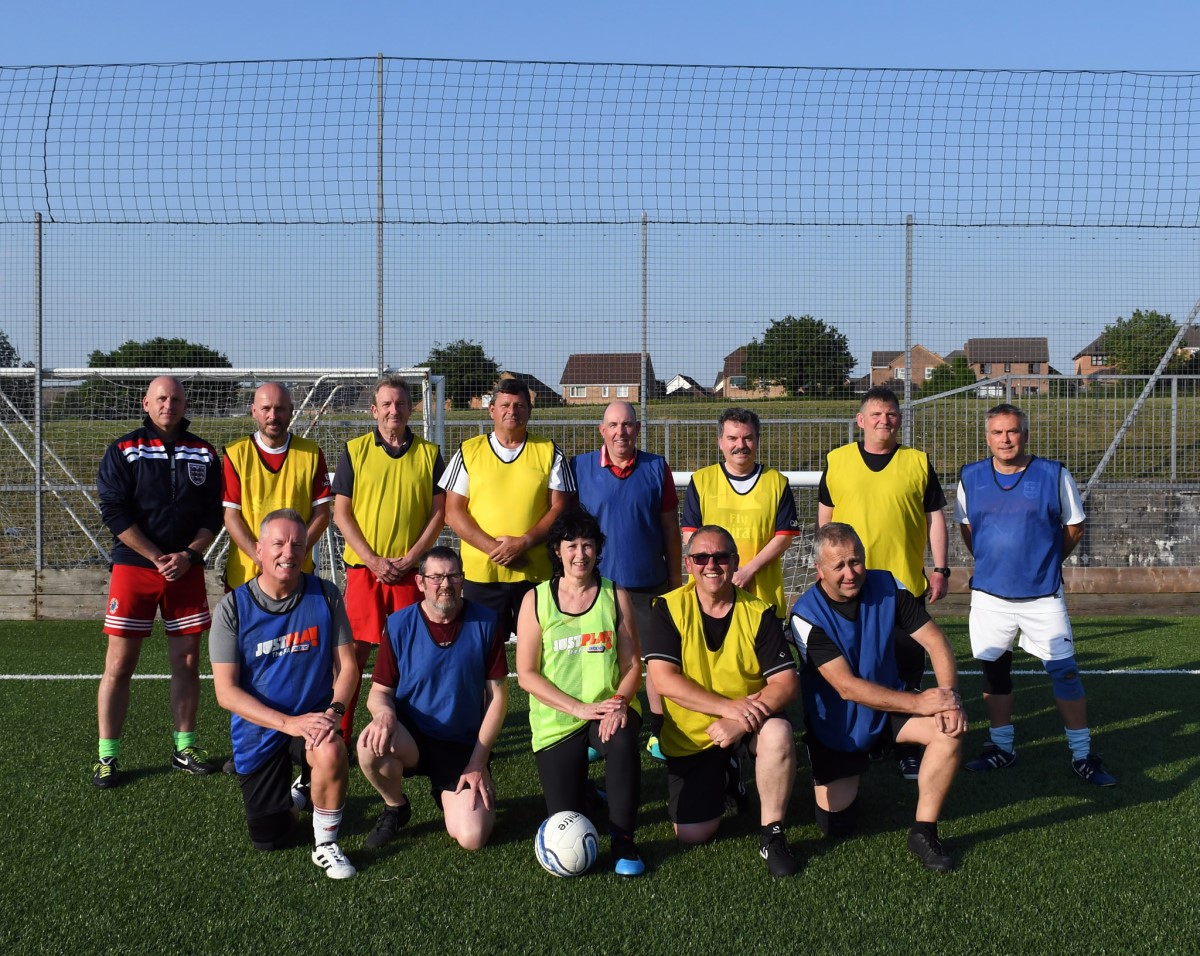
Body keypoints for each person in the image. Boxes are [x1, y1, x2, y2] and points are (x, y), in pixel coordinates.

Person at [789, 523, 967, 872]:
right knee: (837, 826)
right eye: (838, 566)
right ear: (819, 571)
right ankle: (834, 770)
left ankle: (924, 830)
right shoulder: (805, 615)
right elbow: (846, 687)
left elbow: (937, 643)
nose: (850, 573)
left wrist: (950, 698)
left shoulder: (888, 585)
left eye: (855, 562)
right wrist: (919, 703)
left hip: (888, 708)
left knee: (949, 729)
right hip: (839, 724)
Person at [955, 404, 1116, 786]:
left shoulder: (1053, 474)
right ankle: (1002, 747)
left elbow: (1074, 527)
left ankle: (1082, 754)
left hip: (1043, 596)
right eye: (997, 432)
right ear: (987, 437)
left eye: (1012, 432)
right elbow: (967, 528)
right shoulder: (970, 477)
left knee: (1065, 671)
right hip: (990, 597)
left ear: (1025, 435)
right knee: (994, 672)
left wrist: (1044, 560)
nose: (1005, 439)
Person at [643, 524, 801, 877]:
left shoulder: (759, 612)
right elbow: (664, 681)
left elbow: (786, 683)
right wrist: (729, 709)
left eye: (721, 557)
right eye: (701, 557)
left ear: (735, 561)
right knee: (692, 833)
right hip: (693, 734)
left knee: (778, 733)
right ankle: (729, 773)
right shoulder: (667, 608)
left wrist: (739, 721)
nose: (711, 564)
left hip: (746, 721)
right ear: (688, 564)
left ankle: (772, 835)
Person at [209, 509, 359, 879]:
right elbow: (226, 693)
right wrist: (288, 723)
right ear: (258, 551)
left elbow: (349, 666)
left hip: (311, 720)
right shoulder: (234, 608)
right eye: (278, 544)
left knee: (330, 746)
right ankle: (302, 788)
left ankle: (325, 844)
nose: (288, 552)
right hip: (261, 729)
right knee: (270, 837)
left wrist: (334, 713)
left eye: (297, 544)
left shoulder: (325, 594)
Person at [93, 375, 223, 788]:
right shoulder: (123, 450)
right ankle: (107, 756)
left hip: (186, 569)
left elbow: (213, 516)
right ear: (146, 403)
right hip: (134, 567)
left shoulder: (203, 452)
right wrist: (154, 557)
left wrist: (187, 555)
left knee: (186, 662)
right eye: (162, 398)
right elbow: (113, 512)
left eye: (177, 398)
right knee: (119, 664)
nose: (169, 404)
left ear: (186, 404)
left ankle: (184, 748)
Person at [817, 385, 949, 780]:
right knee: (857, 670)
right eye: (875, 414)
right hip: (848, 586)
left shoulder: (917, 462)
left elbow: (935, 518)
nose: (884, 421)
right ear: (860, 420)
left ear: (899, 419)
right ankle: (866, 738)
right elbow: (826, 519)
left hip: (902, 587)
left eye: (891, 414)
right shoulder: (837, 461)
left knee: (906, 669)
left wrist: (939, 568)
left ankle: (907, 745)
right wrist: (826, 570)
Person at [516, 509, 646, 876]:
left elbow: (634, 664)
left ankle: (623, 841)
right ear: (557, 550)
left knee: (620, 742)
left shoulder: (614, 593)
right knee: (567, 814)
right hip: (559, 719)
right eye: (571, 545)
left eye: (588, 545)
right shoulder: (535, 600)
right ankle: (587, 791)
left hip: (608, 708)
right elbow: (525, 674)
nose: (580, 554)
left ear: (597, 549)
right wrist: (578, 708)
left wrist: (619, 704)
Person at [358, 547, 509, 851]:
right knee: (368, 747)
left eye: (453, 576)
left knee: (472, 837)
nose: (445, 584)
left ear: (463, 580)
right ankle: (396, 806)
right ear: (420, 582)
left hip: (461, 744)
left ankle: (448, 792)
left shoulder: (486, 622)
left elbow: (498, 699)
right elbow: (379, 693)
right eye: (437, 577)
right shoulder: (400, 624)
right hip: (410, 736)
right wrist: (384, 714)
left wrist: (478, 761)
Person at [332, 375, 446, 748]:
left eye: (400, 404)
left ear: (412, 408)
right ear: (374, 410)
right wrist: (375, 560)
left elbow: (437, 514)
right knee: (354, 655)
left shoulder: (430, 454)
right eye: (386, 404)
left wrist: (412, 558)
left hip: (411, 574)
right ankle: (341, 733)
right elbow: (342, 515)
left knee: (413, 657)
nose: (393, 410)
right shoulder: (355, 451)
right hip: (367, 572)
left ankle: (414, 732)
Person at [572, 400, 682, 761]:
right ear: (602, 430)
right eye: (614, 425)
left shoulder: (656, 467)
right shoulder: (580, 467)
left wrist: (674, 581)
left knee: (657, 663)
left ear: (637, 429)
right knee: (598, 659)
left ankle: (660, 735)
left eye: (628, 425)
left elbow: (670, 529)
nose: (621, 432)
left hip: (648, 583)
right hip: (597, 586)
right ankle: (595, 734)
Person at [442, 377, 575, 641]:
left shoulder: (549, 452)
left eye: (519, 405)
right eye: (504, 405)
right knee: (483, 654)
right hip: (483, 575)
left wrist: (524, 543)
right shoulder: (468, 451)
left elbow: (561, 508)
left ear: (529, 410)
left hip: (535, 571)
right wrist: (497, 550)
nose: (511, 411)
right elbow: (453, 512)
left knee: (544, 650)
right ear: (492, 410)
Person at [681, 407, 799, 619]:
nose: (740, 445)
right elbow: (690, 536)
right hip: (709, 597)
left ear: (757, 440)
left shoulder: (777, 482)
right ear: (720, 442)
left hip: (762, 597)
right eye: (732, 438)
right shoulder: (701, 481)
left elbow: (784, 537)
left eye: (747, 438)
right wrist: (718, 572)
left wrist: (748, 570)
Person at [222, 382, 333, 591]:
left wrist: (293, 555)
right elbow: (231, 516)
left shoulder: (311, 454)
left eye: (280, 408)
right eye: (266, 409)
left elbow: (322, 515)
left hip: (297, 575)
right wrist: (262, 559)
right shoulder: (236, 454)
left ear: (291, 410)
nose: (273, 415)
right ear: (254, 411)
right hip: (247, 575)